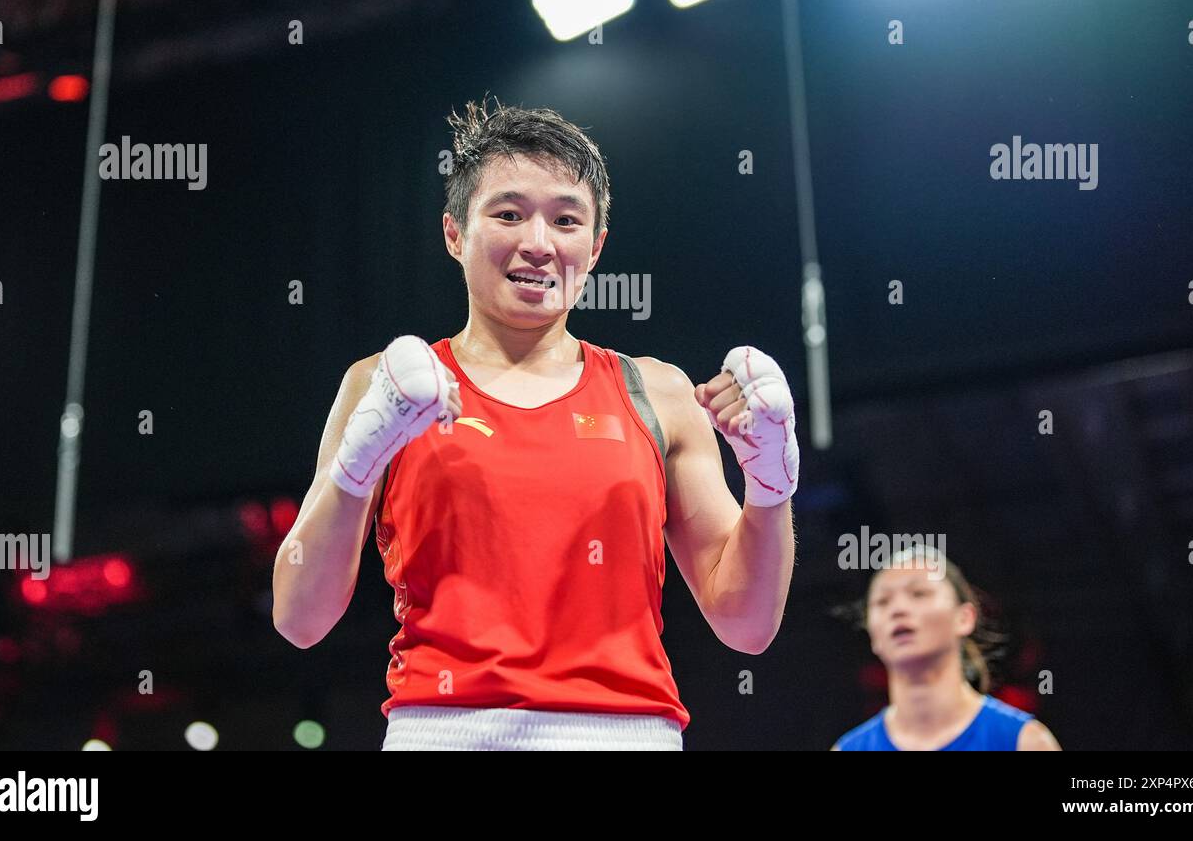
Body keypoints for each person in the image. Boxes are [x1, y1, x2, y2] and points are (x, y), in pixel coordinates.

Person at [272, 98, 800, 750]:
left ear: (597, 246)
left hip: (624, 734)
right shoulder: (382, 386)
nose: (538, 243)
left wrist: (771, 485)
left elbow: (746, 626)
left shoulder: (658, 394)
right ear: (454, 233)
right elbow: (299, 619)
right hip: (443, 730)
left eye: (566, 219)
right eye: (509, 213)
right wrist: (356, 468)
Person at [833, 547, 1061, 751]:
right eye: (883, 601)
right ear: (873, 635)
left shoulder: (1025, 743)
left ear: (964, 618)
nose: (898, 609)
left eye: (919, 593)